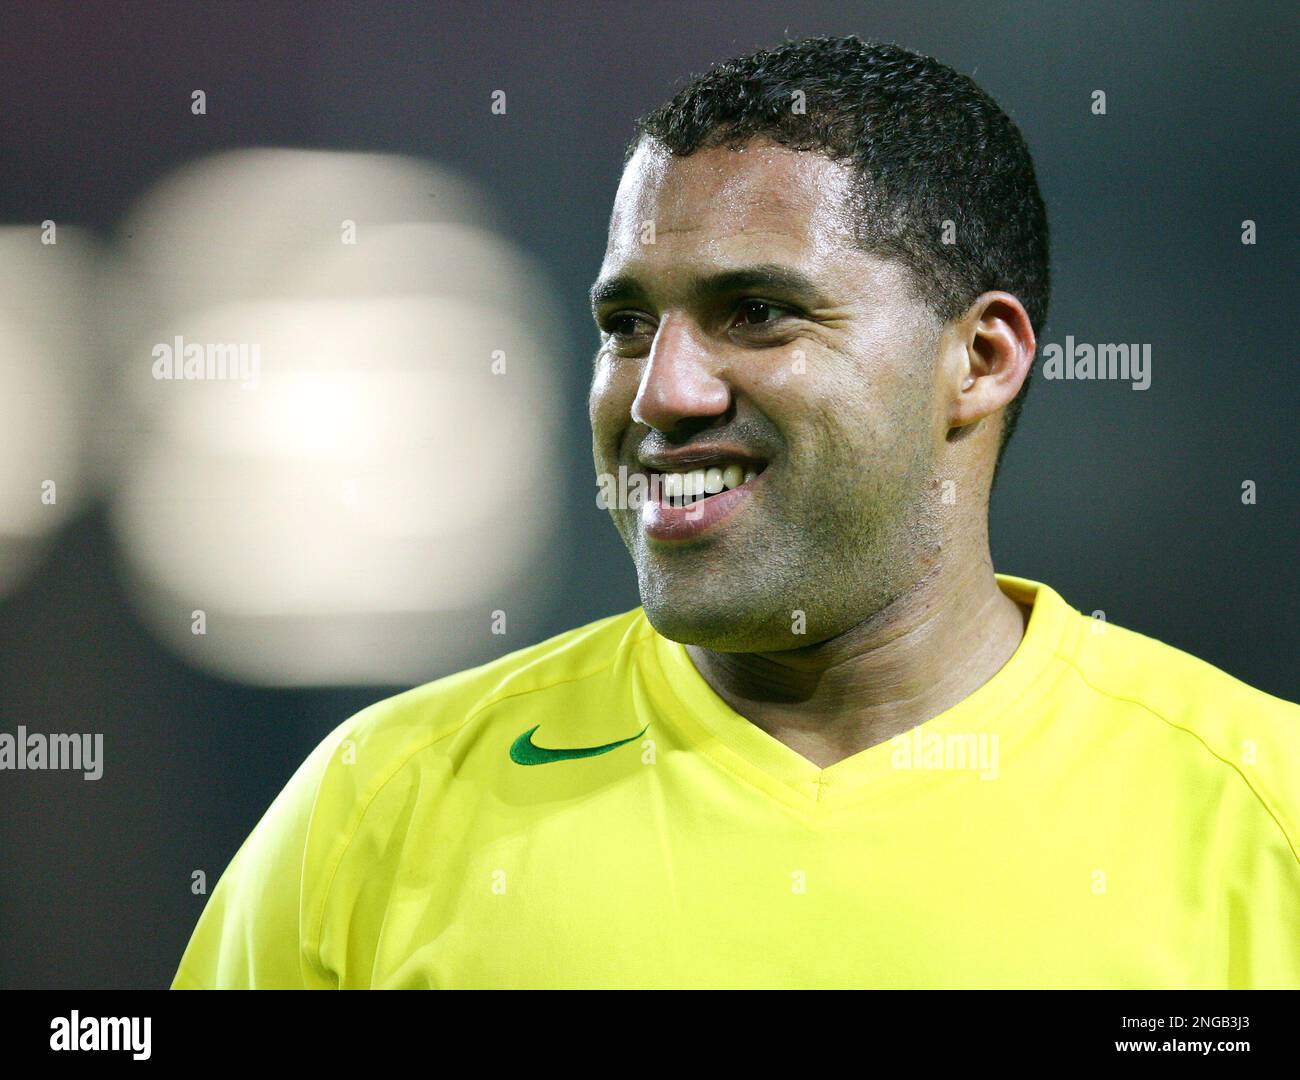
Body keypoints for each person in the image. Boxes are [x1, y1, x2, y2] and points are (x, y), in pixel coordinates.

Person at [172, 36, 1300, 989]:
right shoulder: (373, 810)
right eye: (626, 326)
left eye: (755, 312)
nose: (659, 392)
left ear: (980, 359)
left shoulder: (1265, 815)